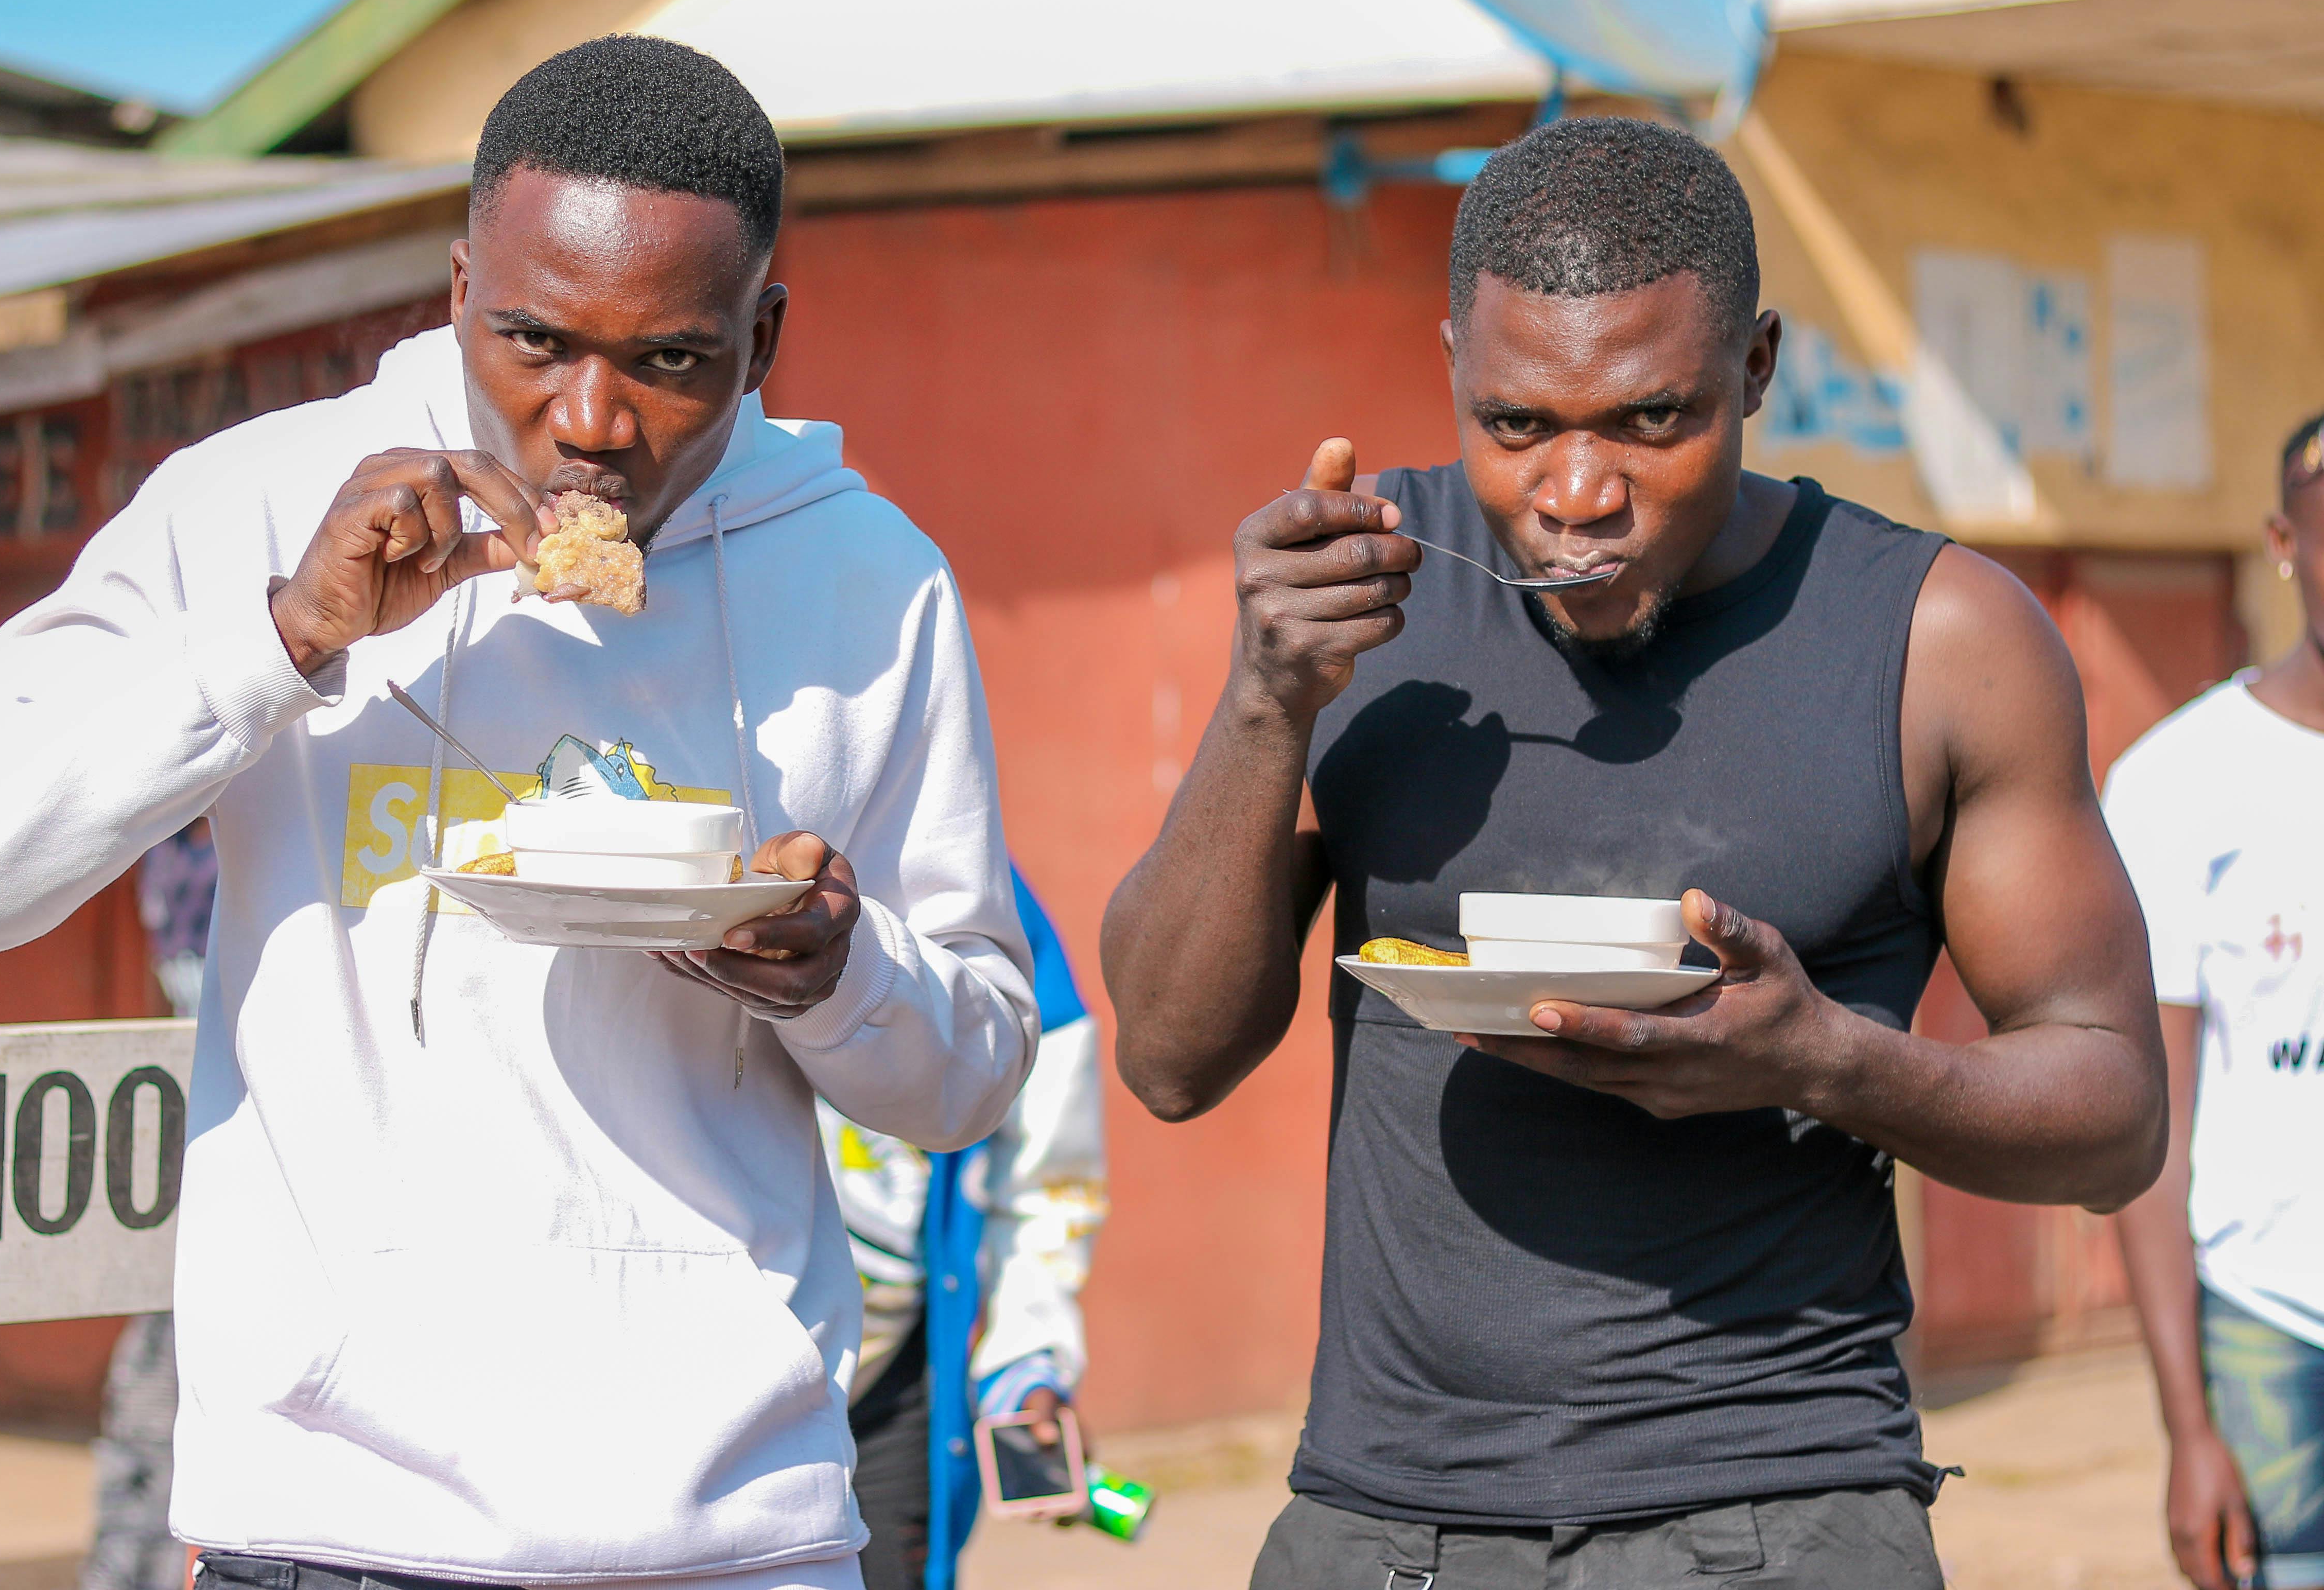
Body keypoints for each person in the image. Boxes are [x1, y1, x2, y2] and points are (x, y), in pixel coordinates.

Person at [0, 34, 1038, 1590]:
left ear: (762, 339)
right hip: (332, 1524)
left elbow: (976, 1073)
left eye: (669, 359)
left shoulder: (869, 583)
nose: (591, 420)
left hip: (736, 1539)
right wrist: (281, 640)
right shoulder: (262, 505)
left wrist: (838, 973)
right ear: (458, 283)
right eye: (535, 339)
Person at [1100, 115, 2168, 1589]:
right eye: (1517, 424)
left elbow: (2115, 1116)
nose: (1579, 494)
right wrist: (1264, 699)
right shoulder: (1361, 600)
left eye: (1653, 421)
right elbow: (1167, 1058)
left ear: (1759, 371)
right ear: (1454, 371)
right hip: (1385, 1522)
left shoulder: (1940, 641)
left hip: (1783, 1515)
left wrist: (1824, 1061)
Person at [2109, 412, 2324, 1590]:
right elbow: (2156, 1127)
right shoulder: (2182, 784)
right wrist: (2191, 1428)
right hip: (2267, 1312)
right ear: (2285, 542)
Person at [828, 864, 1104, 1590]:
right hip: (703, 1378)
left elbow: (1047, 1177)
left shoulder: (985, 892)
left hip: (891, 1386)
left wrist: (1028, 1356)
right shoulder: (675, 845)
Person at [79, 818, 218, 1590]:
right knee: (145, 1406)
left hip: (266, 1184)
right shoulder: (161, 846)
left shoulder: (281, 825)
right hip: (183, 1165)